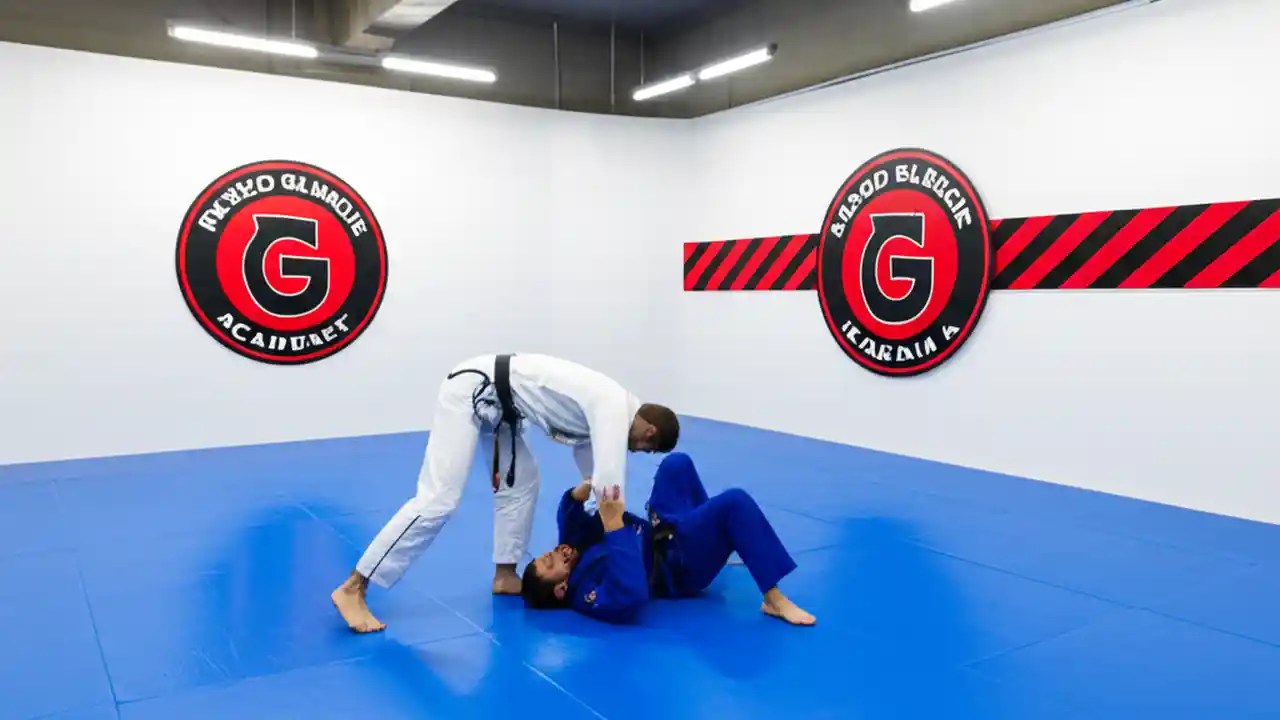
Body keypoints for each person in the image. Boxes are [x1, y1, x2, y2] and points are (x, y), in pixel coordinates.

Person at [331, 353, 679, 633]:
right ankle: (353, 587)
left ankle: (505, 574)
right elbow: (609, 484)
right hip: (474, 388)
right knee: (438, 499)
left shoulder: (613, 408)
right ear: (649, 432)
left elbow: (591, 466)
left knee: (523, 482)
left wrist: (591, 495)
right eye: (645, 448)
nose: (637, 451)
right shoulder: (615, 408)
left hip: (502, 409)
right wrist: (618, 534)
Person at [521, 452, 815, 626]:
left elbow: (569, 522)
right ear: (560, 589)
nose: (553, 554)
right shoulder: (586, 593)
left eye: (547, 555)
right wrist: (613, 526)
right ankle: (773, 599)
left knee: (677, 464)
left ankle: (718, 536)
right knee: (734, 502)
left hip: (663, 533)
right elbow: (631, 595)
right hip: (679, 567)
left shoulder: (573, 558)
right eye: (549, 563)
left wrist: (577, 494)